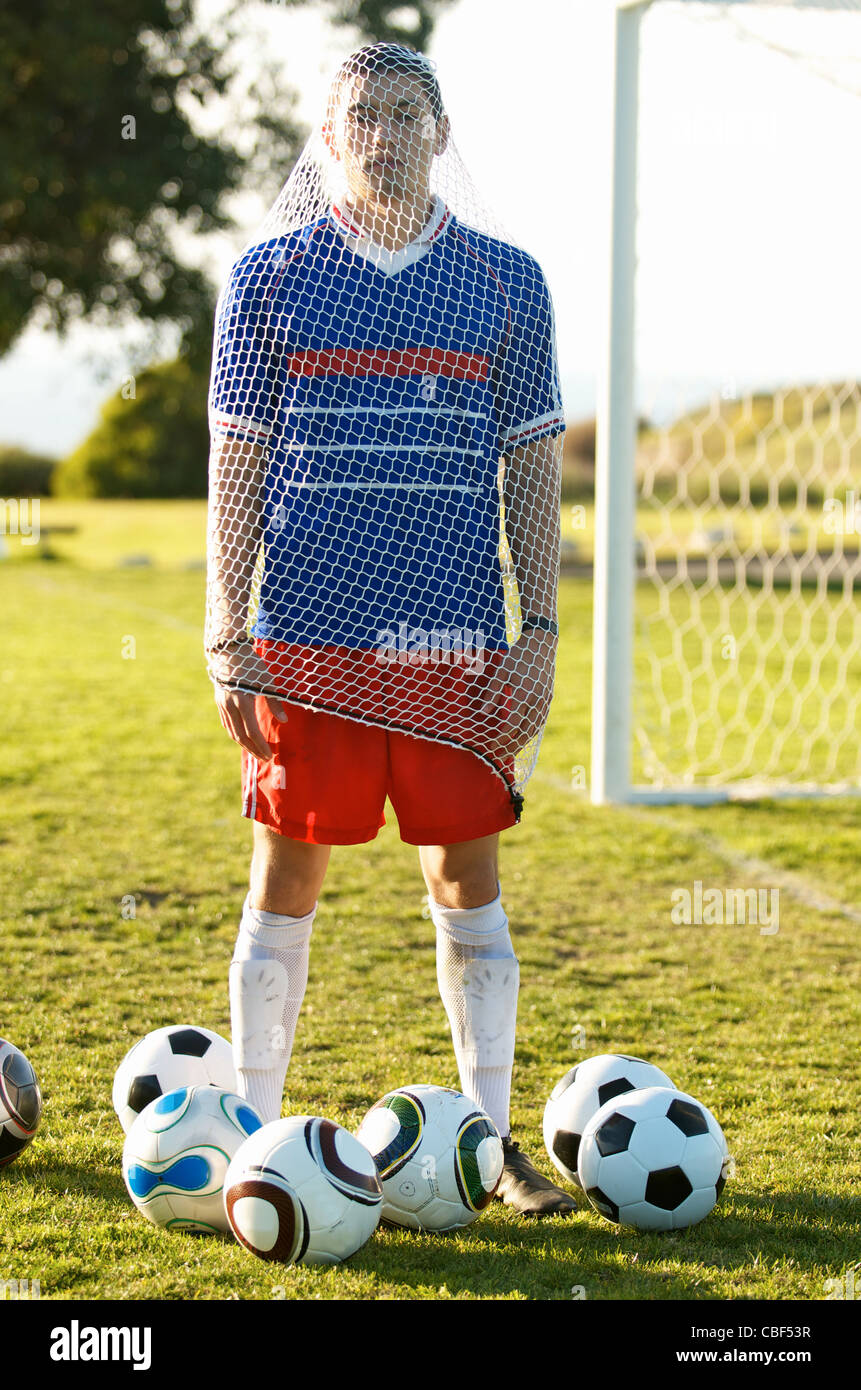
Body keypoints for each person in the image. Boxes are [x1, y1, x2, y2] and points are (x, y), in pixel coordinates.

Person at [205, 42, 572, 1215]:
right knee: (285, 873)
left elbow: (530, 468)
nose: (385, 131)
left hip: (456, 635)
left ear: (443, 133)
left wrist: (540, 629)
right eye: (360, 112)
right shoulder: (268, 279)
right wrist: (225, 626)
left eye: (408, 111)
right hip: (306, 629)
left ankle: (496, 1139)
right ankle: (259, 1138)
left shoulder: (509, 281)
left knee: (468, 879)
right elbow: (238, 463)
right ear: (327, 138)